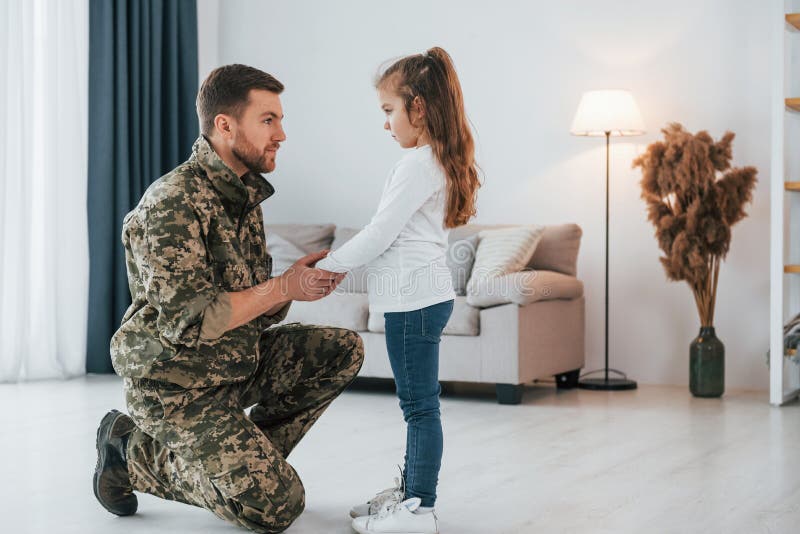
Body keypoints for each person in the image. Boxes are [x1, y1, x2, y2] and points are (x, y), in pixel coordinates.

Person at [93, 64, 364, 534]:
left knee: (341, 350)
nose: (281, 134)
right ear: (225, 125)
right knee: (277, 508)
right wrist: (282, 288)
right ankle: (131, 452)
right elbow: (192, 321)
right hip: (176, 387)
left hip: (235, 365)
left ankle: (247, 468)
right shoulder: (173, 202)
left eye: (279, 120)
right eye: (268, 120)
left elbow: (249, 306)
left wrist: (294, 285)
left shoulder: (242, 197)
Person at [315, 46, 480, 534]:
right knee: (418, 405)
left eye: (389, 110)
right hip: (421, 298)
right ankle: (410, 495)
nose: (385, 124)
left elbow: (379, 234)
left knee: (419, 407)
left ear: (418, 107)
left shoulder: (416, 165)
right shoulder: (434, 161)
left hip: (413, 301)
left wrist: (327, 267)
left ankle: (419, 510)